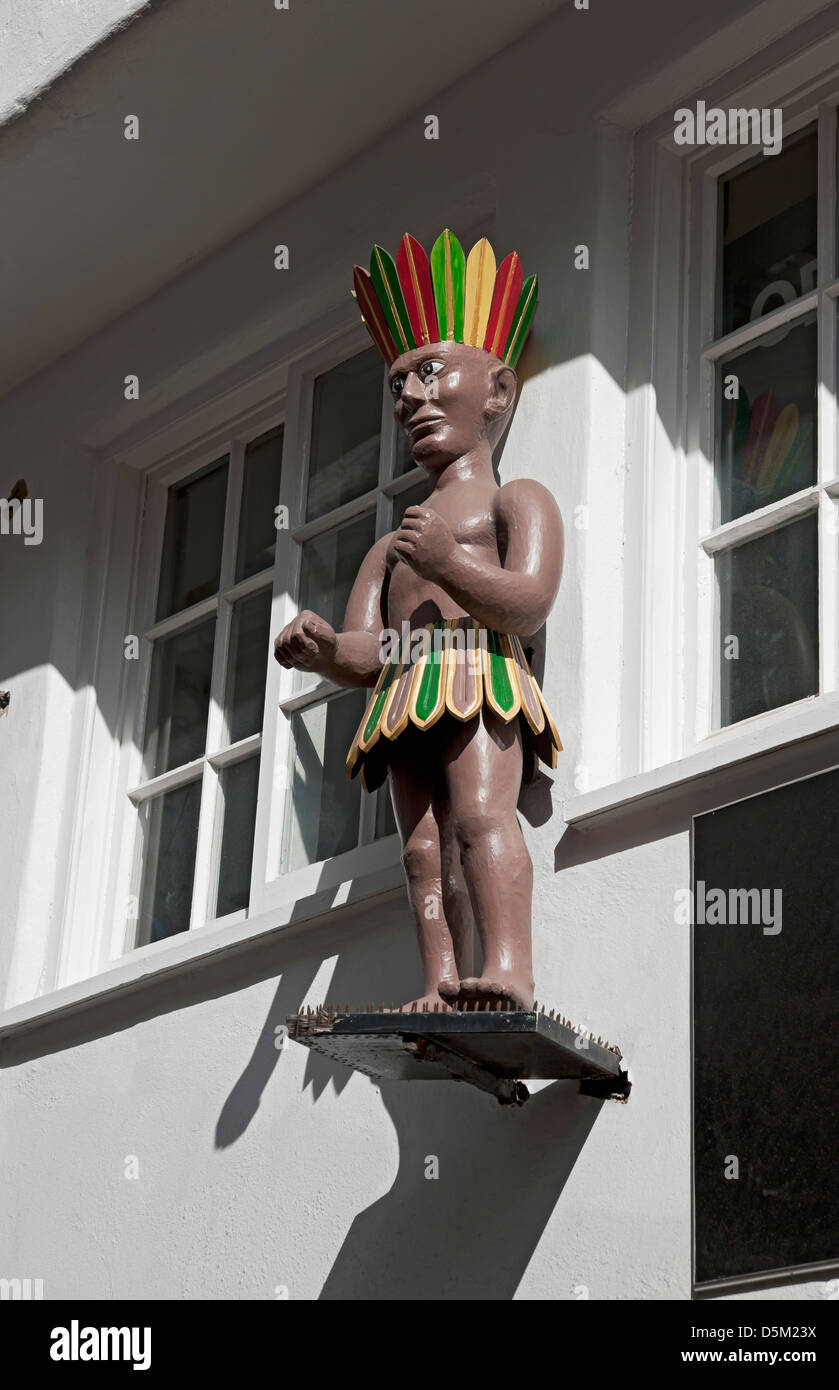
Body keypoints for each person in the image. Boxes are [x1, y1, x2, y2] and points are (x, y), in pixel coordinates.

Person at [274, 231, 563, 1011]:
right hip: (406, 691)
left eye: (429, 372)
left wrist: (448, 564)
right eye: (398, 382)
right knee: (421, 850)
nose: (407, 396)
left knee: (477, 815)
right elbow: (372, 649)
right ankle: (438, 980)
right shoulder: (392, 544)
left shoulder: (517, 500)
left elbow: (529, 601)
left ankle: (507, 968)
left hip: (479, 673)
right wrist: (327, 648)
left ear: (498, 390)